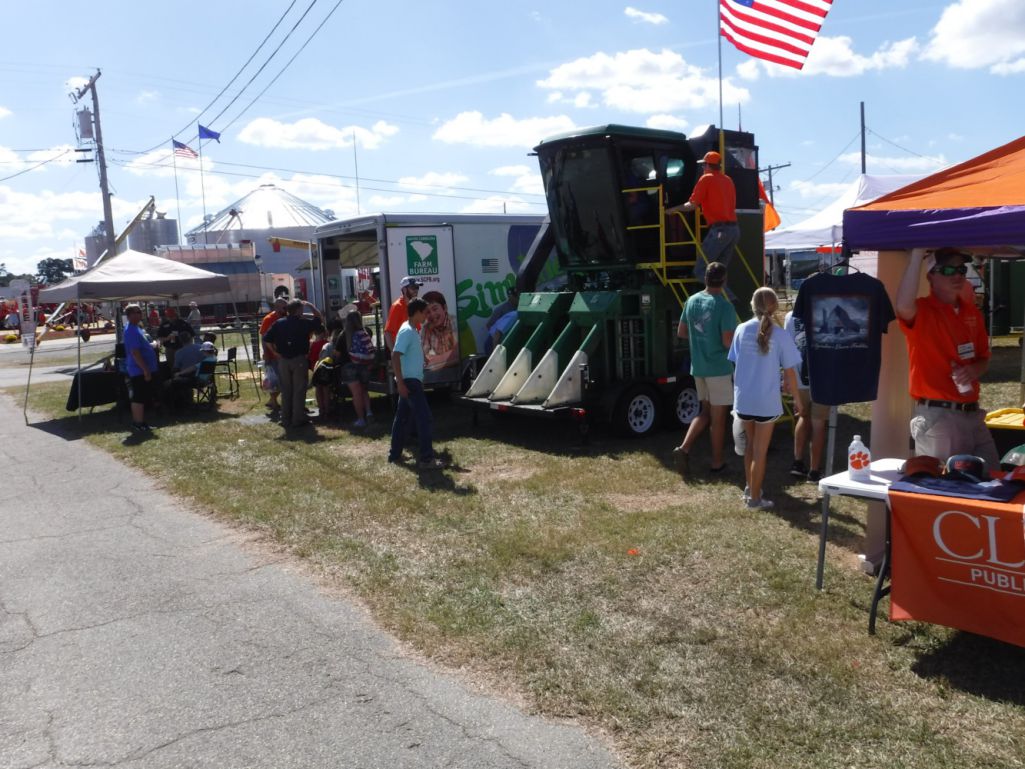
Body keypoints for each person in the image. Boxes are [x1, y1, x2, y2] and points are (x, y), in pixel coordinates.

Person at [895, 247, 999, 467]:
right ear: (931, 275)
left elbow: (983, 358)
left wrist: (974, 370)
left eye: (961, 269)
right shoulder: (923, 310)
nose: (957, 275)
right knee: (948, 488)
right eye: (949, 269)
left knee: (992, 476)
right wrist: (916, 256)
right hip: (939, 417)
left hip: (972, 413)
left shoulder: (971, 312)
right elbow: (903, 306)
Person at [728, 287, 802, 510]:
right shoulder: (780, 334)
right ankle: (754, 500)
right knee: (760, 452)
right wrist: (798, 400)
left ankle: (751, 489)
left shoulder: (741, 329)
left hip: (744, 399)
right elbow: (791, 371)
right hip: (766, 402)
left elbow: (734, 359)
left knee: (750, 447)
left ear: (753, 305)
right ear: (775, 307)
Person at [672, 262, 737, 476]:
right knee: (718, 419)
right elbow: (728, 342)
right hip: (718, 368)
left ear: (705, 279)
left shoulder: (691, 301)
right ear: (725, 280)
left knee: (706, 412)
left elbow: (681, 332)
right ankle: (717, 462)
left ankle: (684, 448)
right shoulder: (724, 306)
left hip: (698, 367)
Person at [667, 150, 738, 285]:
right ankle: (725, 302)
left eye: (703, 165)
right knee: (719, 273)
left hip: (719, 231)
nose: (702, 168)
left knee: (701, 271)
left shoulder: (706, 179)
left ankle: (730, 298)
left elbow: (692, 205)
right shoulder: (728, 180)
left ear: (707, 165)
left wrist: (673, 209)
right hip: (734, 230)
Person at [389, 297, 445, 469]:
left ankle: (394, 454)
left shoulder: (412, 330)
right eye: (424, 313)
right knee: (424, 418)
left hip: (410, 381)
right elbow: (395, 355)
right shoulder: (407, 331)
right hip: (410, 382)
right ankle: (427, 459)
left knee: (402, 419)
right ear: (417, 313)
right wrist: (400, 383)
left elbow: (407, 353)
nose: (426, 316)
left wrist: (423, 358)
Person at [263, 299, 323, 429]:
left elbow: (266, 339)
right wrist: (311, 305)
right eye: (302, 309)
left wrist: (275, 352)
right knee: (299, 389)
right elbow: (319, 319)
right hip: (299, 359)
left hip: (283, 360)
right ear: (298, 310)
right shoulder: (303, 323)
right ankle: (298, 418)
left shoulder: (279, 323)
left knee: (286, 390)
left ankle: (285, 418)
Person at [784, 310, 828, 483]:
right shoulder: (826, 311)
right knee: (818, 423)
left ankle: (797, 462)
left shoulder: (790, 316)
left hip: (798, 376)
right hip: (821, 378)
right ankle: (814, 471)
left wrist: (787, 377)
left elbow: (787, 346)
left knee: (803, 417)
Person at [122, 303, 159, 435]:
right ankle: (138, 423)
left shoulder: (136, 328)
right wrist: (145, 370)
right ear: (129, 315)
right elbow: (135, 352)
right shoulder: (130, 330)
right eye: (136, 312)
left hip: (143, 368)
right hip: (138, 370)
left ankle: (141, 422)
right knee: (138, 396)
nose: (139, 314)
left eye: (140, 312)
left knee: (142, 396)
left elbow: (141, 345)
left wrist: (152, 345)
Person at [342, 309, 375, 427]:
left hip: (351, 367)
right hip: (365, 366)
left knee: (356, 394)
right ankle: (369, 413)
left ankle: (360, 419)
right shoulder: (365, 332)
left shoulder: (346, 334)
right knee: (364, 391)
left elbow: (337, 352)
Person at [259, 297, 289, 411]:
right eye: (284, 307)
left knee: (282, 379)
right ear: (277, 307)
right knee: (274, 380)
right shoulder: (269, 319)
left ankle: (272, 401)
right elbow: (263, 338)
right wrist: (266, 353)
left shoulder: (286, 316)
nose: (286, 309)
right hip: (272, 355)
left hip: (283, 354)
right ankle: (274, 401)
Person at [421, 290, 459, 371]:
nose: (432, 314)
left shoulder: (456, 322)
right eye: (428, 312)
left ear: (445, 308)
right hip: (436, 377)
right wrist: (448, 358)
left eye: (435, 309)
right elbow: (423, 360)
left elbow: (459, 354)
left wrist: (436, 361)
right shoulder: (426, 328)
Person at [384, 276, 422, 350]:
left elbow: (417, 331)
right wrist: (395, 354)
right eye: (413, 288)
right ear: (404, 290)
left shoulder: (414, 305)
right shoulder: (397, 306)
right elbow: (387, 333)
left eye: (417, 287)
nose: (416, 290)